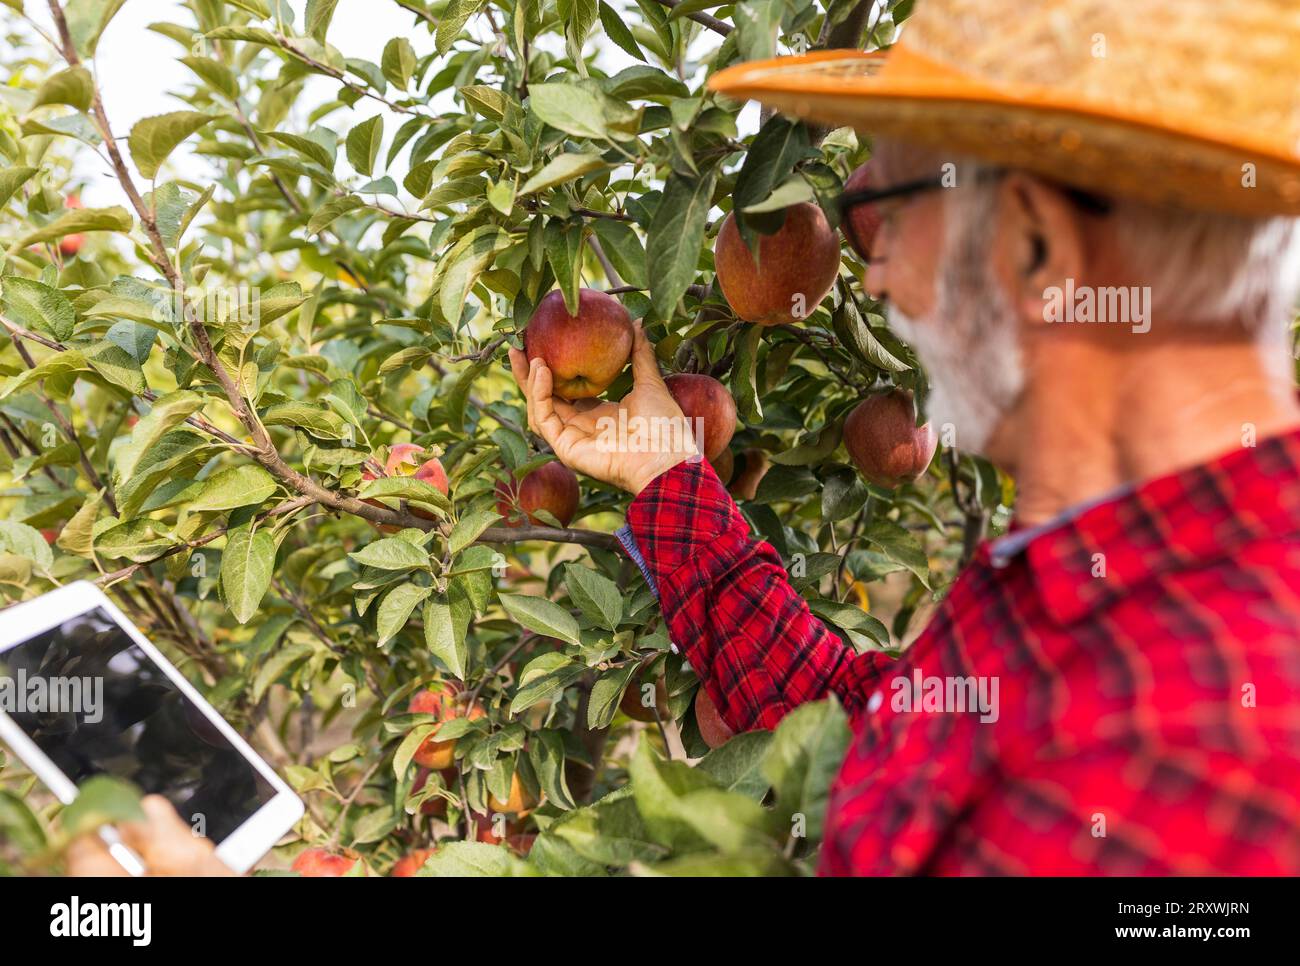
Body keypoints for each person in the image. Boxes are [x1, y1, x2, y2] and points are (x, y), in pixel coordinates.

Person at [72, 0, 1300, 875]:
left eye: (870, 210)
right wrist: (667, 469)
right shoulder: (1087, 594)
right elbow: (860, 733)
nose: (860, 275)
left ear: (1032, 245)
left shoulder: (1193, 731)